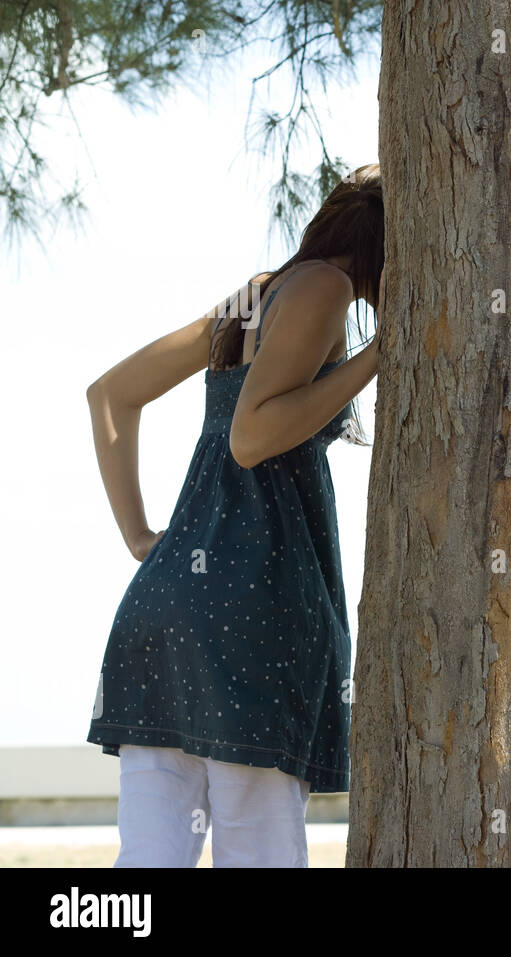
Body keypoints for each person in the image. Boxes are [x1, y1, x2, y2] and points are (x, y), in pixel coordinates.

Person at [84, 164, 384, 866]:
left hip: (165, 614)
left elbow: (110, 395)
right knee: (261, 855)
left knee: (148, 861)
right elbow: (251, 438)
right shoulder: (324, 287)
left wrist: (140, 537)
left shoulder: (256, 295)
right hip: (251, 618)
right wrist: (377, 356)